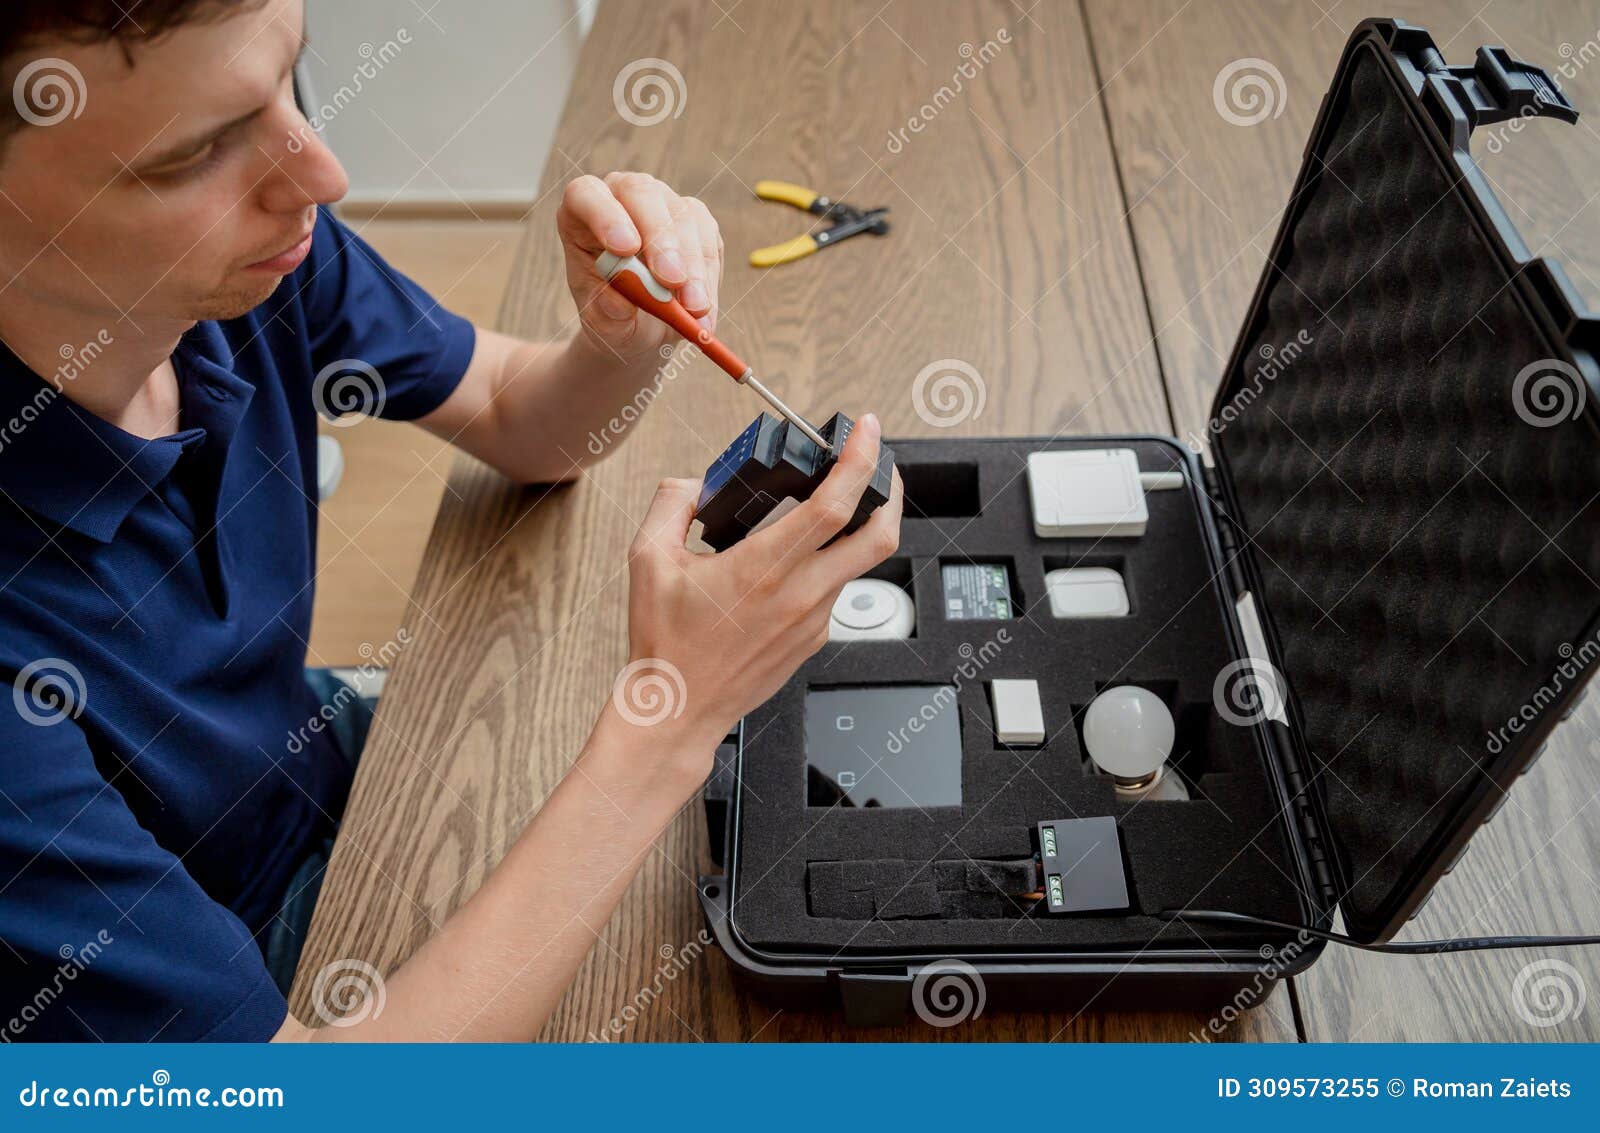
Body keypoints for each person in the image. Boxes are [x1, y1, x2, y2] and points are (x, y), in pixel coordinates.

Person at [0, 0, 901, 1042]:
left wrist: (620, 336)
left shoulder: (245, 263)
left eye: (292, 76)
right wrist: (672, 718)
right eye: (195, 153)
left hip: (309, 768)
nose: (322, 175)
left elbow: (517, 414)